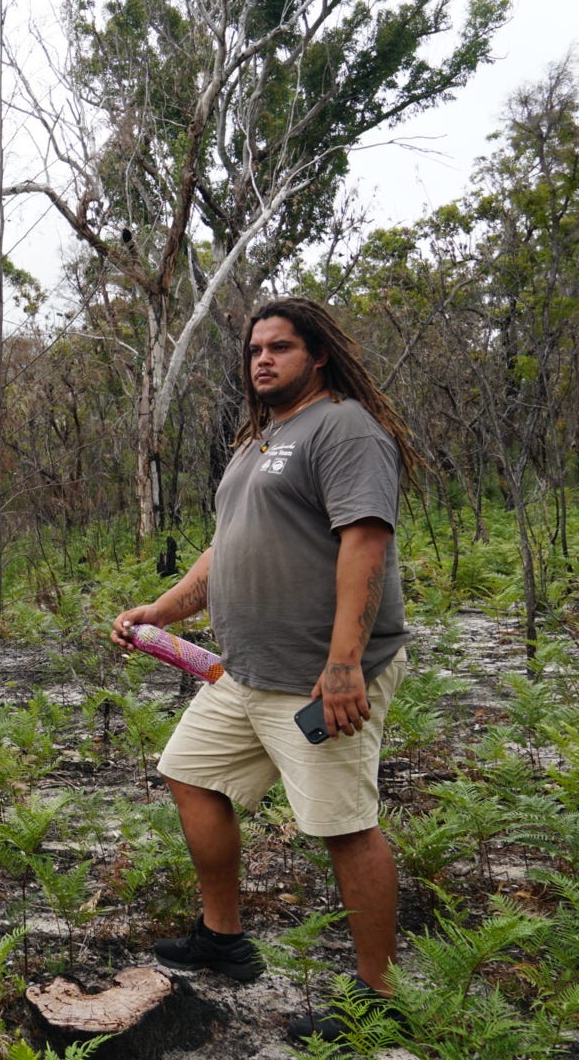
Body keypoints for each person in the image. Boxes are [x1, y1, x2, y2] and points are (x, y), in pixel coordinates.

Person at [112, 296, 420, 1044]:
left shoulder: (344, 426)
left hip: (318, 679)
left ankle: (378, 991)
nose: (262, 360)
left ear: (316, 355)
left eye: (279, 347)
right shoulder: (255, 443)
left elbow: (365, 544)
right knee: (191, 774)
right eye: (254, 350)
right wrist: (162, 610)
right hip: (243, 674)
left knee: (344, 826)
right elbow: (225, 552)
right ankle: (223, 938)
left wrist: (344, 663)